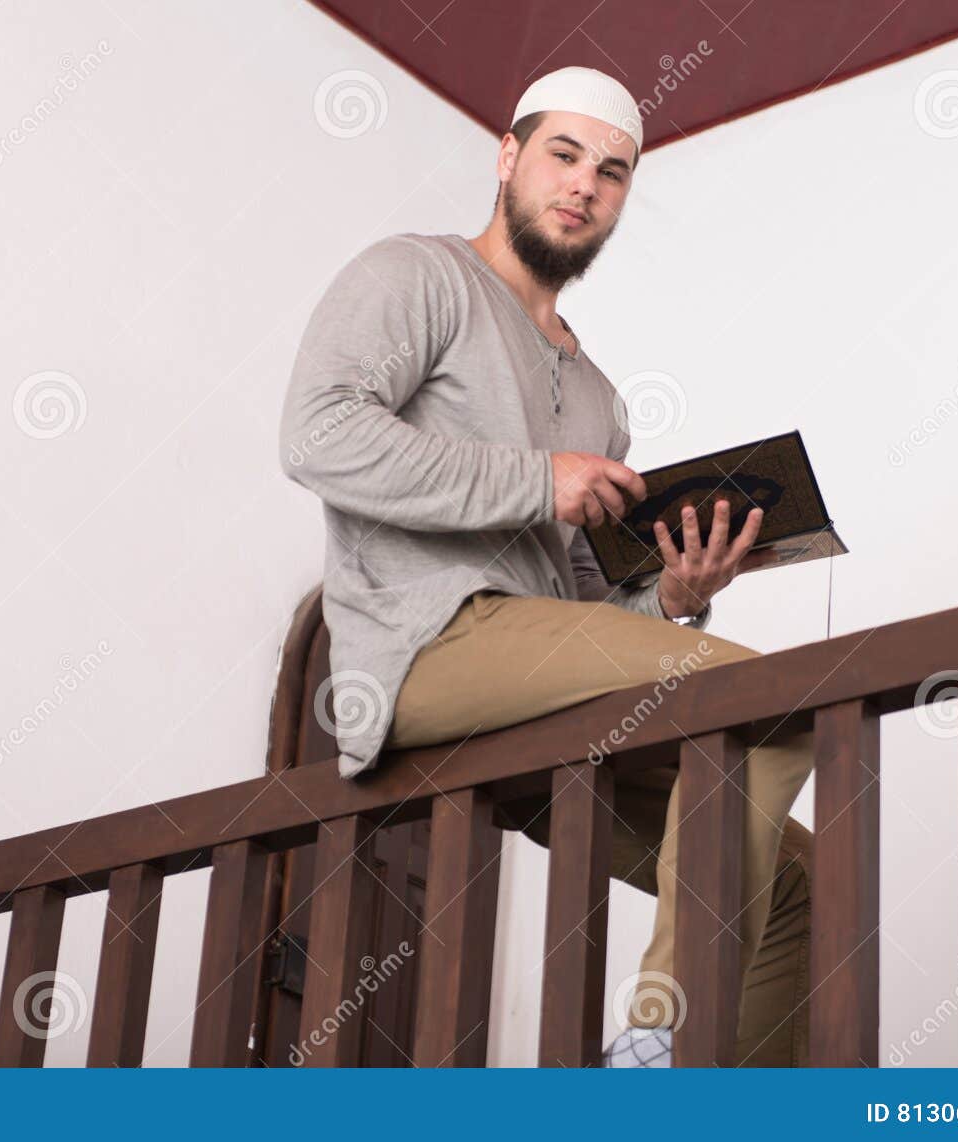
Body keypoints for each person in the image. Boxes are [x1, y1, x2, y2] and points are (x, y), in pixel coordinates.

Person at [278, 66, 814, 1067]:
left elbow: (574, 604)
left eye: (610, 172)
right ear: (509, 157)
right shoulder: (414, 275)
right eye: (563, 155)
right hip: (425, 652)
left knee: (800, 880)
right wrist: (540, 479)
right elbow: (317, 437)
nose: (582, 184)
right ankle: (660, 1046)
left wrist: (675, 593)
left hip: (534, 693)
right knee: (767, 697)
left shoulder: (599, 394)